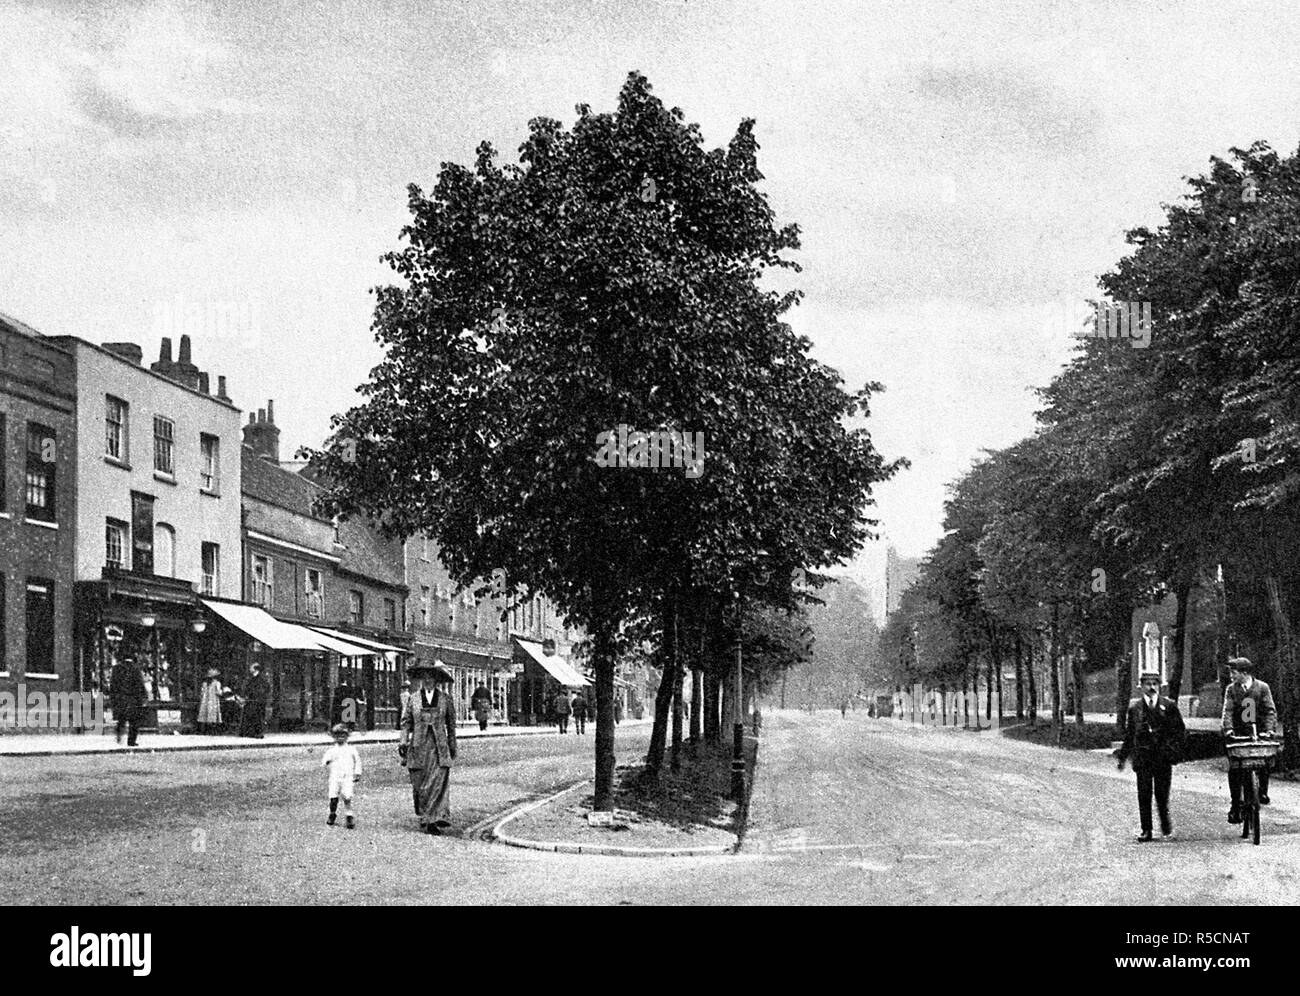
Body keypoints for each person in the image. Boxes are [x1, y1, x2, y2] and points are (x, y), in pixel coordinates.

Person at [1115, 670, 1187, 842]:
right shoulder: (1135, 709)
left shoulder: (1168, 706)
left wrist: (1174, 750)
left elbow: (1180, 731)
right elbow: (1130, 735)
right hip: (1143, 757)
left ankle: (1166, 827)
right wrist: (1123, 757)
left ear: (1159, 686)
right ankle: (1146, 830)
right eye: (1148, 684)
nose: (1152, 687)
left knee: (1162, 794)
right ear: (1142, 686)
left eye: (1155, 684)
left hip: (1163, 757)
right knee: (1144, 794)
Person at [399, 661, 457, 835]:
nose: (428, 680)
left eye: (431, 677)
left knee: (438, 782)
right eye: (425, 677)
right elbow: (406, 722)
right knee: (420, 784)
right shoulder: (413, 699)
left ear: (437, 680)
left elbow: (451, 724)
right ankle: (425, 814)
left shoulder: (446, 699)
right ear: (421, 680)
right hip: (418, 746)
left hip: (439, 747)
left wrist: (452, 743)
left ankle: (435, 818)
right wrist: (403, 741)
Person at [1222, 656, 1278, 822]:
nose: (1231, 676)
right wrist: (1229, 729)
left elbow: (1269, 711)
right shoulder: (1231, 689)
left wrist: (1269, 730)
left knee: (1265, 758)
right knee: (1235, 767)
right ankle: (1235, 805)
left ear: (1244, 673)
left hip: (1259, 732)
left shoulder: (1262, 687)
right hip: (1238, 733)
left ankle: (1262, 791)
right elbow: (1228, 711)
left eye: (1234, 672)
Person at [323, 723, 362, 829]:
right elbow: (325, 761)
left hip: (347, 776)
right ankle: (332, 813)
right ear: (334, 737)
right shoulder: (331, 750)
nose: (340, 738)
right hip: (335, 776)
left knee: (347, 795)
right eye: (337, 735)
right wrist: (327, 762)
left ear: (347, 736)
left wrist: (357, 773)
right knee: (333, 796)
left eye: (343, 735)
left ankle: (349, 815)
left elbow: (357, 761)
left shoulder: (351, 750)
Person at [110, 655, 147, 747]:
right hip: (133, 699)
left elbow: (112, 685)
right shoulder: (136, 669)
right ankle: (131, 741)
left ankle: (119, 736)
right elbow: (140, 684)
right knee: (134, 721)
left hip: (120, 698)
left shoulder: (116, 669)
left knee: (121, 719)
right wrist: (144, 697)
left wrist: (113, 698)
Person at [238, 662, 270, 739]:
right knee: (249, 715)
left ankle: (257, 733)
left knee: (257, 717)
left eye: (251, 668)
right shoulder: (252, 678)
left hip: (257, 701)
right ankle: (249, 732)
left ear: (255, 669)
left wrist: (259, 695)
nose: (250, 669)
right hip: (251, 700)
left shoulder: (261, 679)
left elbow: (265, 689)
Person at [197, 667, 223, 735]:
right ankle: (211, 730)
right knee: (211, 714)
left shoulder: (205, 683)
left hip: (207, 700)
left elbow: (202, 692)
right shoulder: (216, 683)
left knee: (208, 713)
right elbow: (218, 692)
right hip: (212, 700)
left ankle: (207, 730)